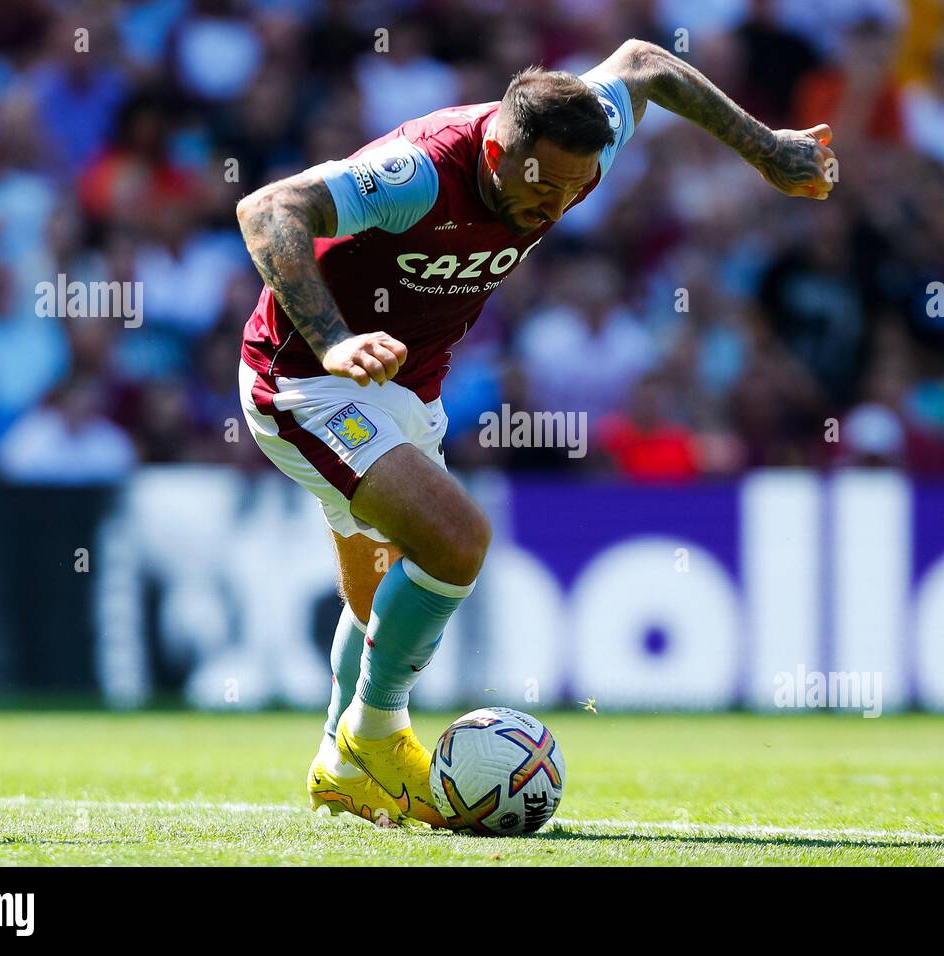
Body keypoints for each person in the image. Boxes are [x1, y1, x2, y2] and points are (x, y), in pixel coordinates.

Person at [234, 38, 835, 827]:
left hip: (404, 388)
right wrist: (334, 339)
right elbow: (267, 208)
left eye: (575, 190)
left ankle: (340, 769)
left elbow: (644, 63)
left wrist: (768, 148)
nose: (556, 208)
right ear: (497, 151)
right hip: (307, 378)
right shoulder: (421, 172)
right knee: (456, 540)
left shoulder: (577, 144)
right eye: (543, 186)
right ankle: (375, 735)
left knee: (383, 595)